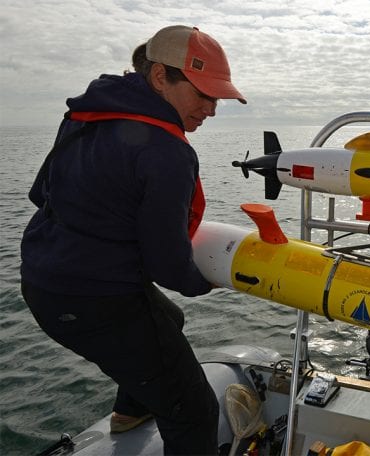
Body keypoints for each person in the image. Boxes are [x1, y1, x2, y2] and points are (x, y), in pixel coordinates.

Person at [20, 25, 246, 455]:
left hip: (40, 281)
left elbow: (40, 193)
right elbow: (168, 266)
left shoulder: (84, 115)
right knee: (195, 412)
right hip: (98, 299)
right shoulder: (167, 151)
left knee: (168, 318)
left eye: (217, 99)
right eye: (204, 95)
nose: (211, 110)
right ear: (161, 77)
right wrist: (207, 281)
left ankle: (130, 411)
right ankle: (152, 405)